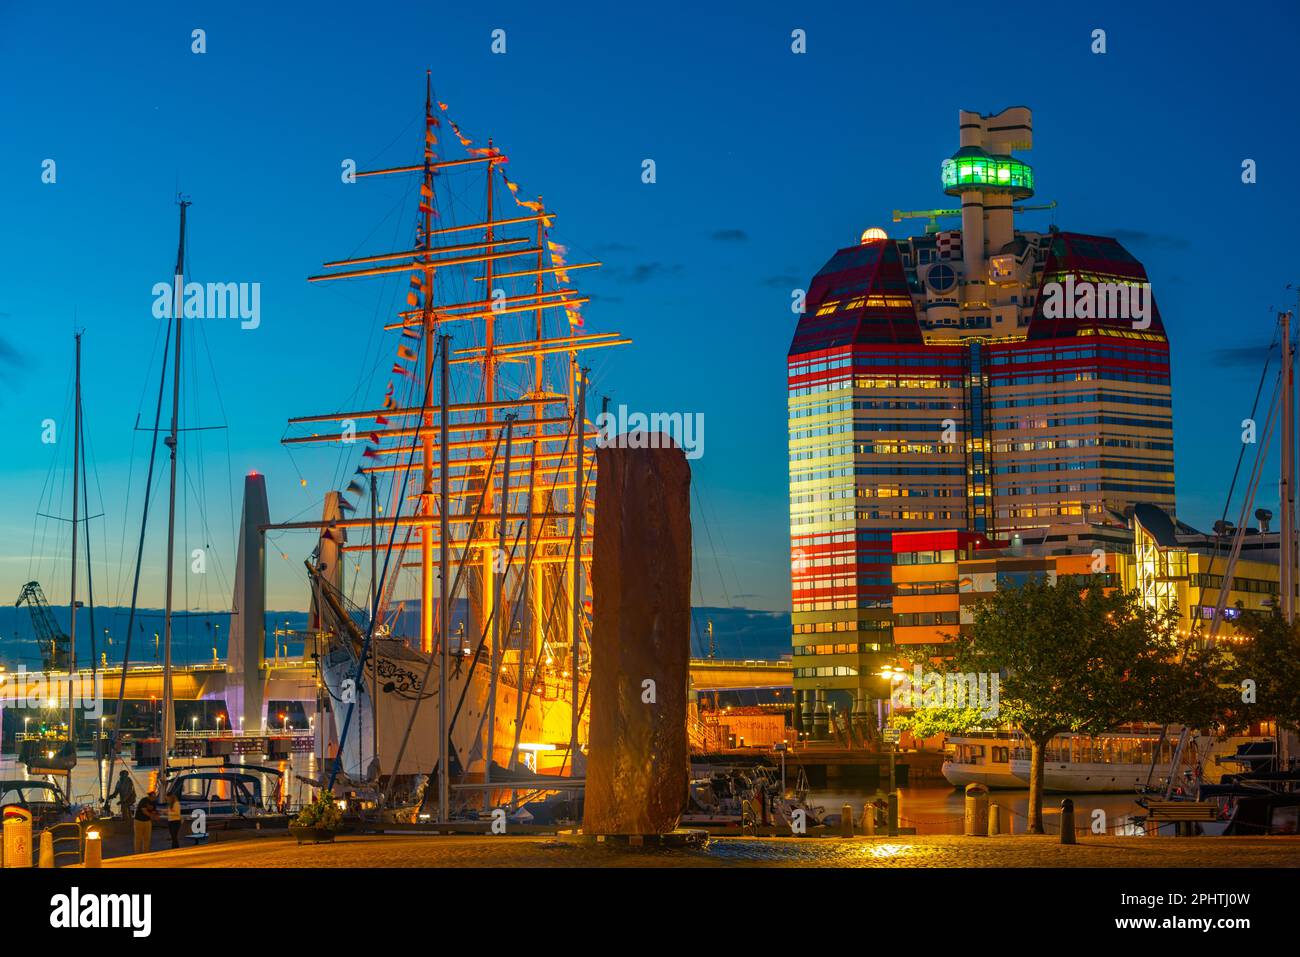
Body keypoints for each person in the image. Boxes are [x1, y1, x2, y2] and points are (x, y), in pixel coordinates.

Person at [133, 790, 160, 854]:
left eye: (155, 796)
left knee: (147, 838)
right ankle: (137, 853)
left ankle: (146, 852)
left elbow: (153, 811)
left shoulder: (154, 802)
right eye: (153, 796)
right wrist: (152, 816)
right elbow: (144, 811)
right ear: (150, 796)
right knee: (138, 838)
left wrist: (156, 815)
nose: (154, 798)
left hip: (147, 821)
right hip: (139, 821)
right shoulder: (144, 800)